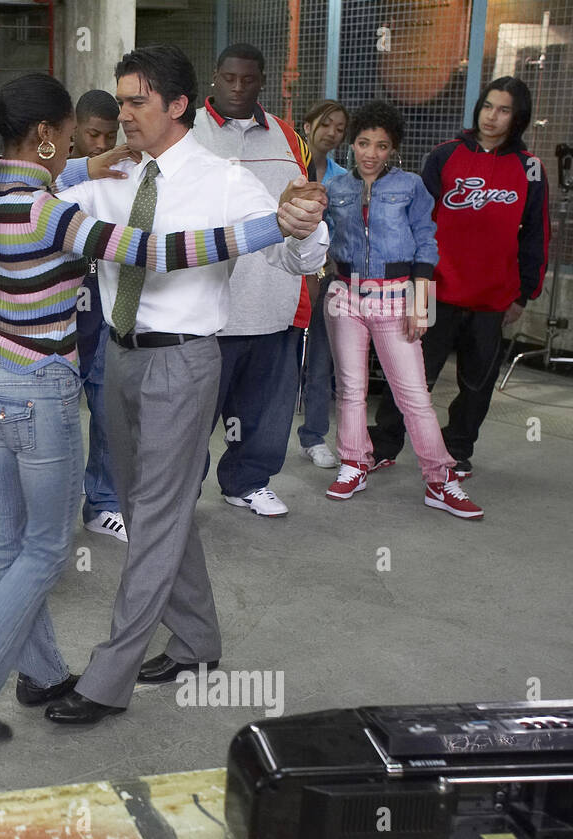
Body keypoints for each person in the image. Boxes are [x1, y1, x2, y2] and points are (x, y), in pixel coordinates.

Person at [0, 70, 294, 740]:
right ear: (43, 135)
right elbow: (155, 251)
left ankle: (38, 671)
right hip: (40, 389)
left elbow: (52, 176)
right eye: (71, 134)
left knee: (12, 542)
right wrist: (270, 226)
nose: (85, 142)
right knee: (44, 547)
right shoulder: (48, 210)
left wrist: (83, 166)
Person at [45, 45, 329, 726]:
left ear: (177, 105)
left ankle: (108, 677)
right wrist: (86, 162)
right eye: (119, 102)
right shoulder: (111, 176)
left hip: (183, 361)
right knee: (150, 509)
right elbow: (33, 197)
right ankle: (198, 639)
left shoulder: (221, 180)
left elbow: (298, 252)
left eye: (138, 101)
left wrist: (304, 224)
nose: (125, 115)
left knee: (158, 513)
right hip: (117, 358)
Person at [369, 77, 549, 478]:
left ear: (517, 117)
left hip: (493, 296)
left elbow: (537, 234)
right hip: (435, 288)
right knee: (412, 373)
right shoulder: (445, 155)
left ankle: (457, 448)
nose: (492, 116)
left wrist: (525, 294)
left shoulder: (530, 169)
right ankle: (383, 443)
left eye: (503, 110)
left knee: (476, 382)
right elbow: (415, 222)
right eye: (488, 106)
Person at [322, 99, 483, 519]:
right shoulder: (337, 188)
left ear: (393, 149)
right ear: (351, 144)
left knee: (413, 394)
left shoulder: (411, 186)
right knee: (351, 390)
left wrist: (420, 300)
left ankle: (439, 478)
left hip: (396, 295)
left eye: (381, 145)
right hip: (344, 295)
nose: (370, 153)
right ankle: (354, 462)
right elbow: (321, 239)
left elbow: (428, 242)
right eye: (362, 143)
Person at [191, 42, 323, 517]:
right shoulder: (189, 133)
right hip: (209, 308)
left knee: (262, 413)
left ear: (262, 81)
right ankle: (183, 492)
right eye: (229, 77)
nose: (238, 87)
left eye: (248, 79)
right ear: (215, 77)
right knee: (196, 417)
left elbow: (303, 204)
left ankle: (246, 481)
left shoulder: (290, 139)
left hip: (273, 301)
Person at [71, 89, 127, 543]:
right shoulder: (57, 175)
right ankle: (54, 511)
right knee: (57, 423)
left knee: (109, 415)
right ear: (75, 128)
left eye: (111, 136)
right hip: (56, 321)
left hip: (105, 318)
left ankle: (103, 503)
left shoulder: (123, 177)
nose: (102, 144)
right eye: (93, 134)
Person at [297, 99, 349, 469]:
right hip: (284, 275)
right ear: (307, 124)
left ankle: (314, 436)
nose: (332, 132)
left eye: (340, 128)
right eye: (326, 124)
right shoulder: (287, 166)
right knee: (279, 361)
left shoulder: (344, 179)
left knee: (321, 359)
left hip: (327, 279)